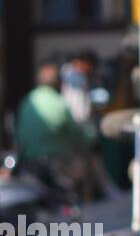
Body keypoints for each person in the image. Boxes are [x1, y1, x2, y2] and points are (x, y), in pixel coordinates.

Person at [16, 61, 95, 199]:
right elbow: (75, 135)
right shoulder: (58, 102)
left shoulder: (28, 100)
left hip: (30, 161)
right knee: (87, 163)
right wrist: (90, 138)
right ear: (58, 82)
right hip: (57, 162)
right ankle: (89, 202)